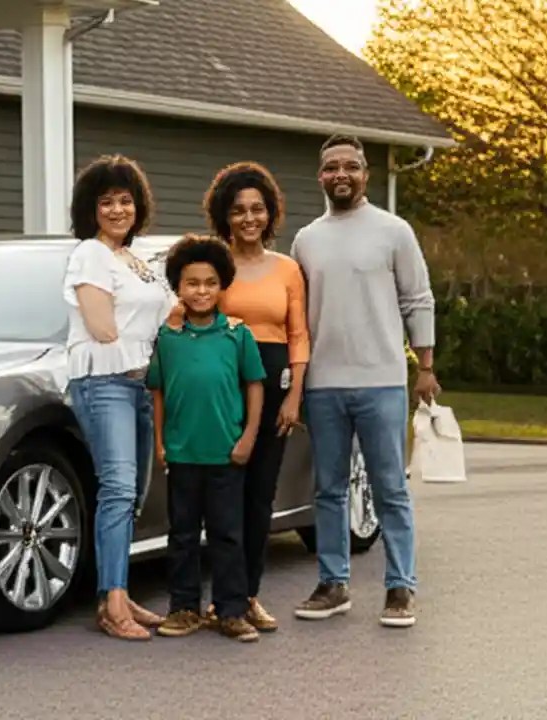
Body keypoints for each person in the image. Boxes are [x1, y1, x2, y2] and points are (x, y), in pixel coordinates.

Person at [290, 134, 440, 629]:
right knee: (328, 489)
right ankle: (333, 584)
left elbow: (418, 299)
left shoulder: (394, 231)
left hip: (381, 382)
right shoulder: (306, 240)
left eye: (350, 166)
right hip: (323, 385)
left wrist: (425, 366)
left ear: (365, 173)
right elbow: (299, 317)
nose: (341, 175)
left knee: (389, 488)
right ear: (321, 176)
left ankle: (401, 588)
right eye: (331, 167)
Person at [63, 154, 175, 641]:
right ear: (91, 208)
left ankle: (120, 589)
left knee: (132, 496)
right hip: (105, 382)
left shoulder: (139, 260)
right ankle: (112, 605)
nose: (116, 210)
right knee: (118, 491)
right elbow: (102, 325)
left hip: (138, 385)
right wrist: (149, 350)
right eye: (106, 201)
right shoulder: (90, 253)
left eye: (125, 200)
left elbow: (169, 317)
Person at [205, 162, 310, 633]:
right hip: (223, 388)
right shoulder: (214, 265)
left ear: (270, 215)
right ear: (224, 215)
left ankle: (248, 596)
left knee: (260, 496)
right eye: (239, 210)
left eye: (257, 209)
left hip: (275, 383)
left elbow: (299, 335)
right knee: (226, 495)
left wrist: (294, 399)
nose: (249, 218)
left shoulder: (288, 269)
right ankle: (224, 601)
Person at [147, 235, 266, 644]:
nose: (201, 291)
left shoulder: (237, 335)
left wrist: (248, 435)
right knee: (182, 534)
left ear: (222, 286)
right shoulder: (168, 339)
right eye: (192, 283)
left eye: (210, 283)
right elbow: (157, 393)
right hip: (182, 454)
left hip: (226, 455)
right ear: (178, 287)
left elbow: (254, 385)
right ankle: (183, 608)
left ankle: (231, 609)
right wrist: (160, 441)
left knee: (227, 534)